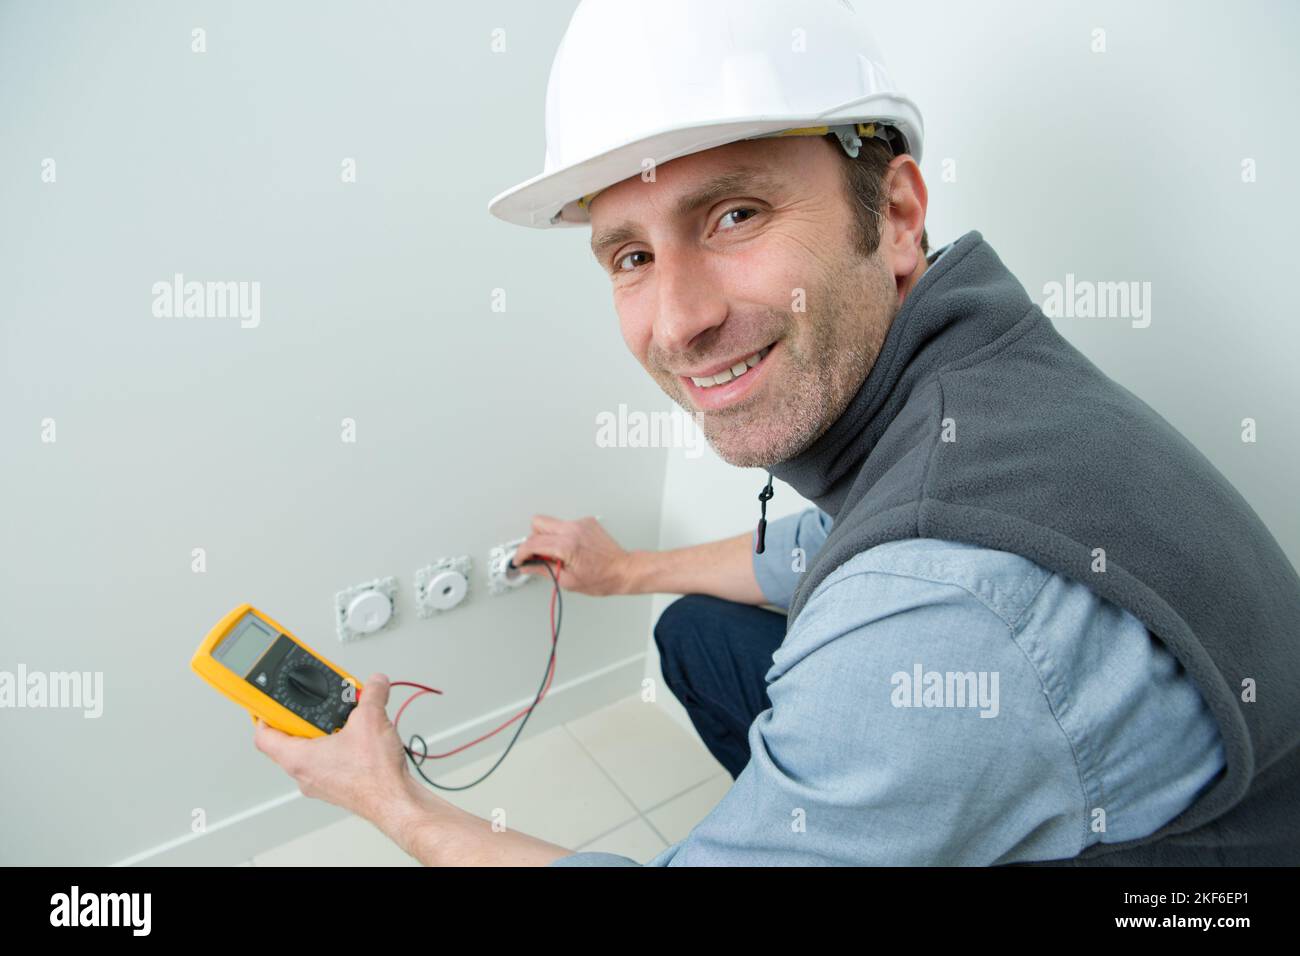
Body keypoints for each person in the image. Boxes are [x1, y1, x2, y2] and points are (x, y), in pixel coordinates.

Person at [255, 0, 1300, 865]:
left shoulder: (935, 612)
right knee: (694, 632)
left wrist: (393, 800)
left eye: (734, 215)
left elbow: (910, 587)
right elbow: (831, 549)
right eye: (629, 257)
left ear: (892, 214)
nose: (677, 322)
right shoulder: (981, 373)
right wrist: (628, 572)